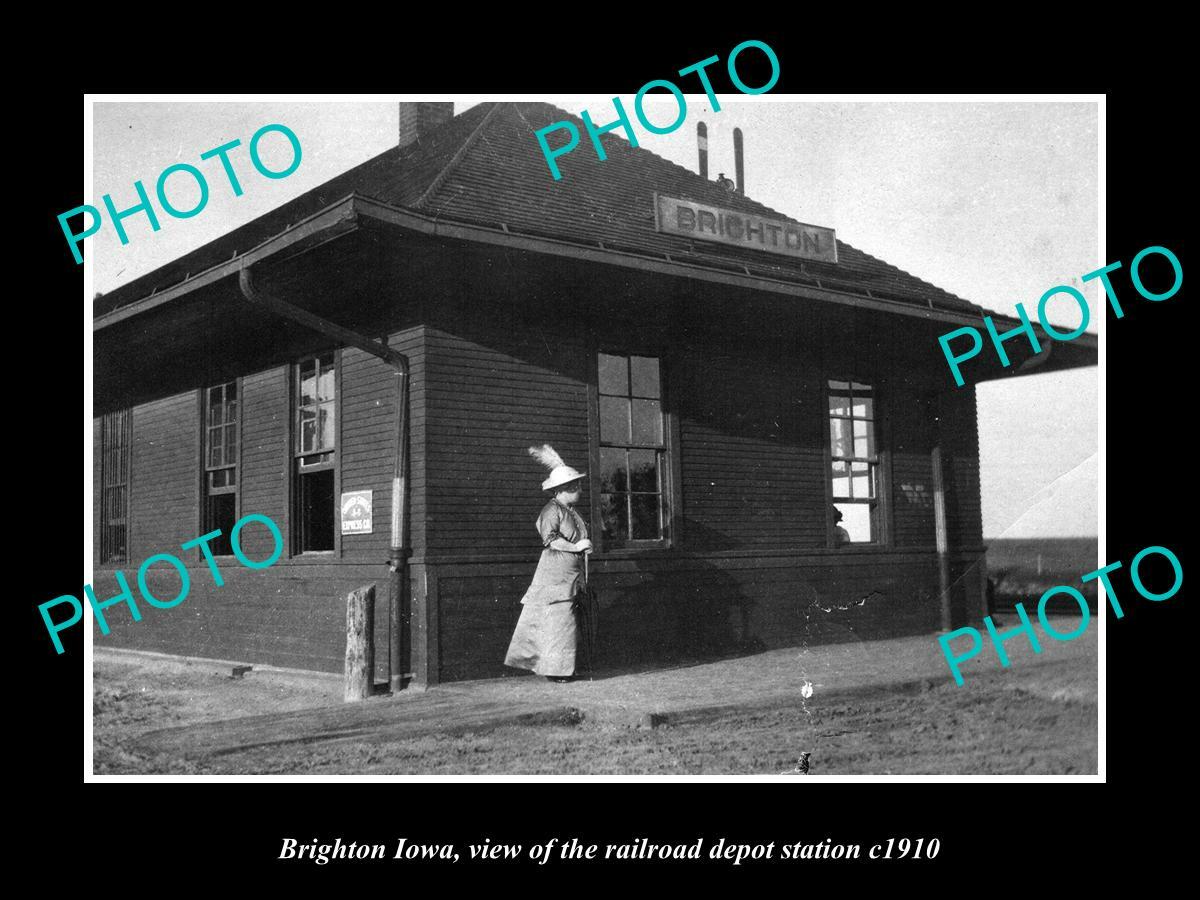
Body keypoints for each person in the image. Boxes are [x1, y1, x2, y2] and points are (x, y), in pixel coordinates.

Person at [504, 444, 593, 683]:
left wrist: (584, 546)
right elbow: (551, 539)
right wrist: (576, 546)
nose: (580, 490)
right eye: (576, 487)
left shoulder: (570, 511)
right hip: (555, 572)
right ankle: (555, 669)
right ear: (564, 489)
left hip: (571, 571)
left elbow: (576, 536)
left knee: (568, 619)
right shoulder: (551, 510)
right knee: (558, 618)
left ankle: (566, 667)